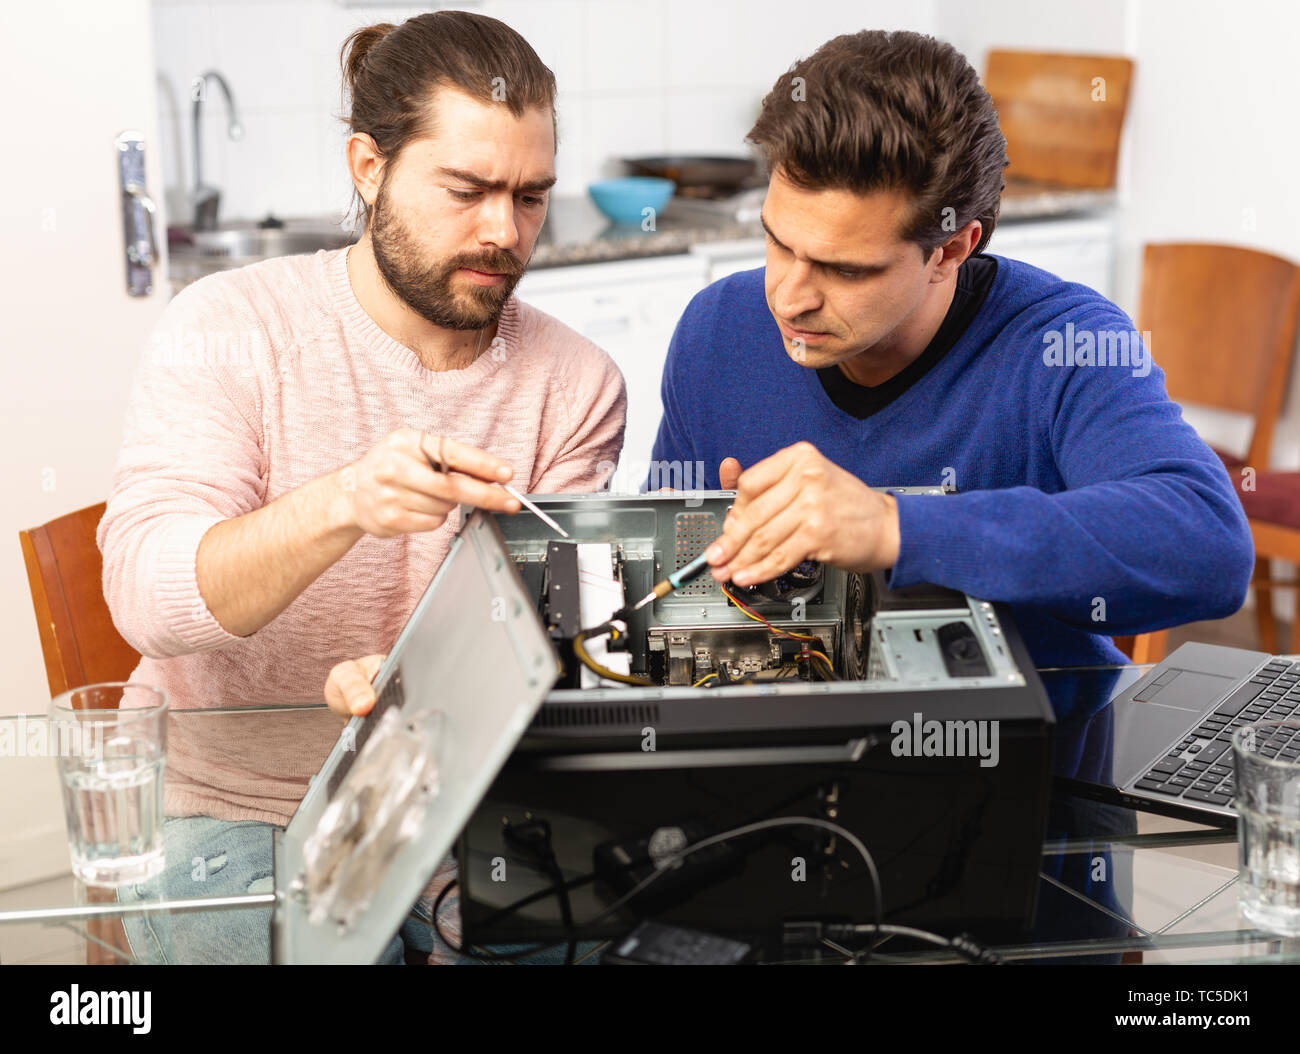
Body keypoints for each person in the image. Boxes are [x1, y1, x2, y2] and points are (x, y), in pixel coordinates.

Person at [98, 10, 625, 964]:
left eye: (532, 197)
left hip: (464, 801)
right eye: (466, 189)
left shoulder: (576, 385)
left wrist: (417, 696)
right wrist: (342, 502)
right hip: (232, 804)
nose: (503, 232)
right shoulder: (231, 326)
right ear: (368, 168)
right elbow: (147, 601)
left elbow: (551, 650)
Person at [648, 29, 1253, 666]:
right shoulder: (717, 327)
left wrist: (889, 528)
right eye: (777, 242)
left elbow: (1208, 546)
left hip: (1031, 756)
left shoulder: (1067, 343)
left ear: (953, 249)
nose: (789, 298)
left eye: (846, 270)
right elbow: (663, 561)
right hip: (773, 744)